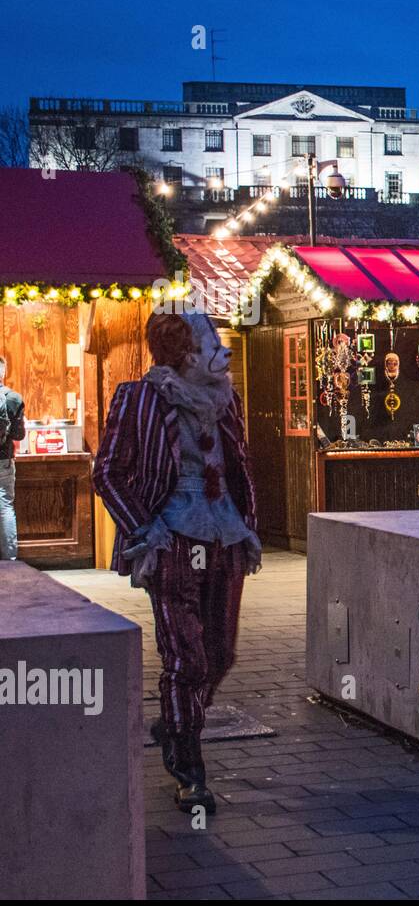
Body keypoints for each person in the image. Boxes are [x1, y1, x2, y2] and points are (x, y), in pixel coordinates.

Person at [93, 312, 261, 815]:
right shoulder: (140, 398)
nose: (223, 352)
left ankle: (175, 722)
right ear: (186, 356)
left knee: (220, 655)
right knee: (187, 659)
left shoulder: (225, 399)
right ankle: (190, 766)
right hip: (171, 536)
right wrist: (142, 530)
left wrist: (251, 521)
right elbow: (107, 471)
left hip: (225, 535)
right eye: (212, 343)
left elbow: (239, 466)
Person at [0, 356, 25, 561]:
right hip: (3, 460)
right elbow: (18, 435)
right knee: (5, 507)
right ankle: (10, 560)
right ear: (3, 372)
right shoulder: (13, 398)